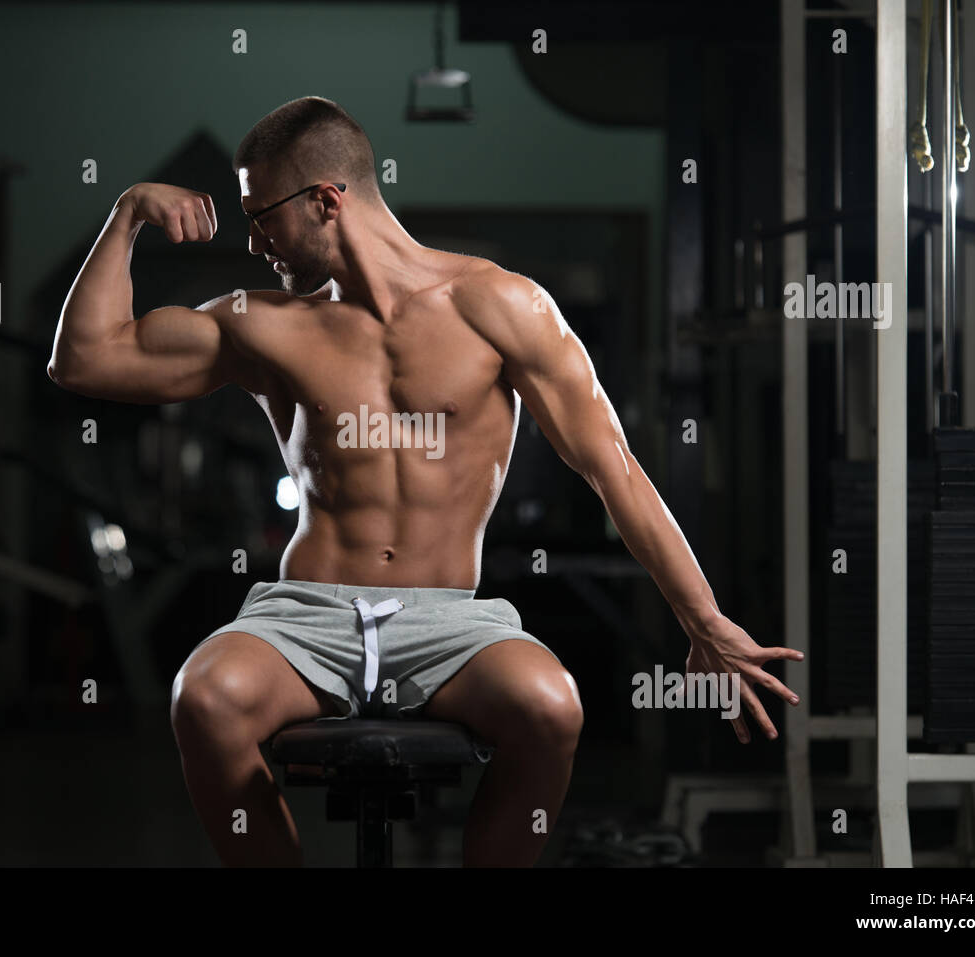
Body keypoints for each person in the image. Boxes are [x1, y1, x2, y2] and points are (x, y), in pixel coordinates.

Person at [47, 96, 802, 867]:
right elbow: (83, 360)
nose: (253, 239)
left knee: (550, 706)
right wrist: (128, 213)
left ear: (325, 200)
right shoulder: (262, 324)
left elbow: (614, 469)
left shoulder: (499, 305)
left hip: (449, 621)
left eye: (261, 215)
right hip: (305, 616)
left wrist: (704, 620)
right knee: (203, 697)